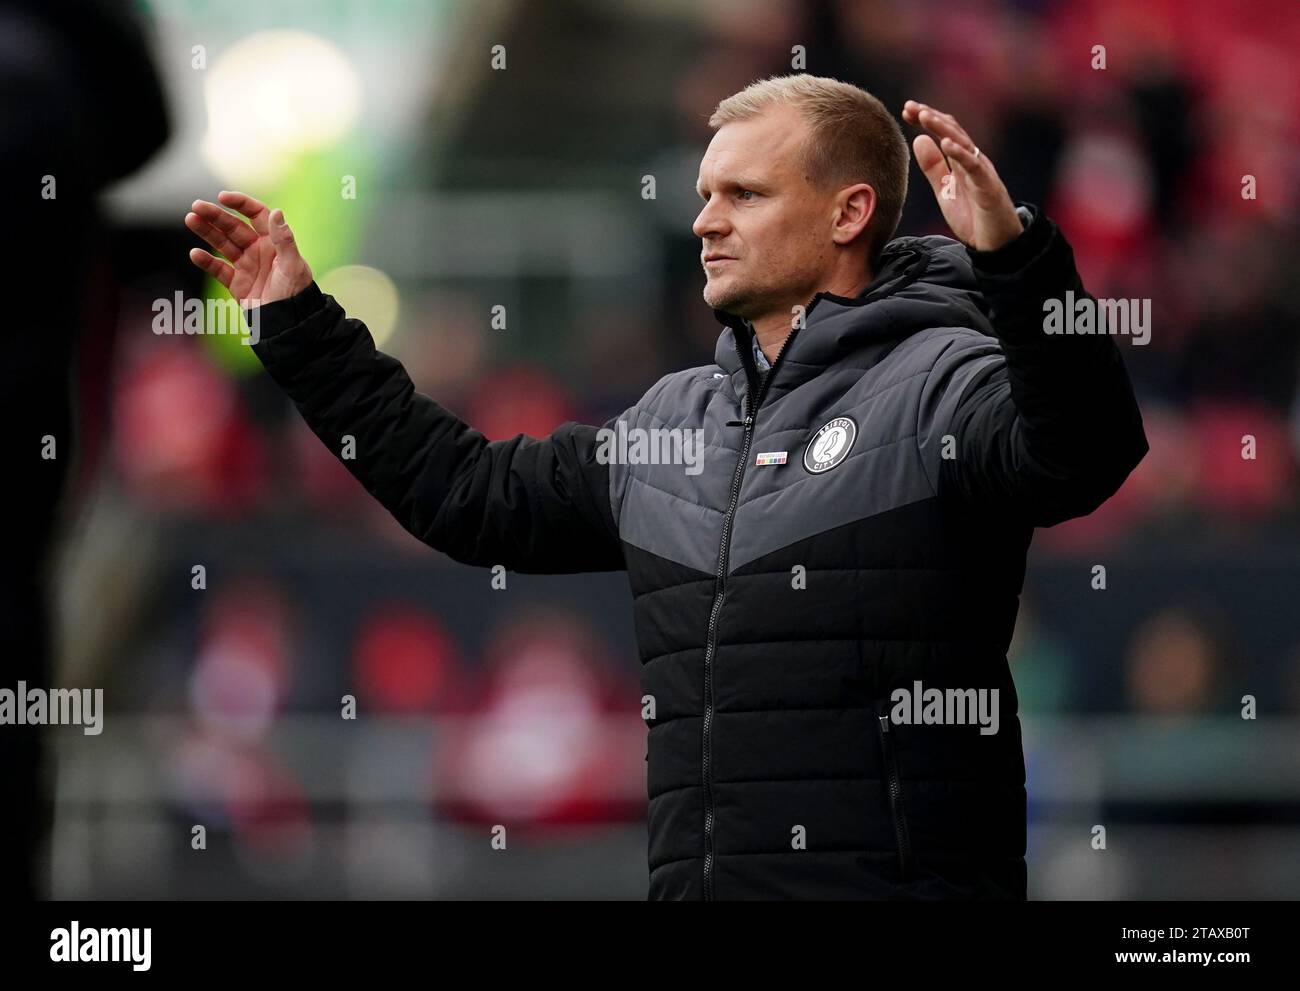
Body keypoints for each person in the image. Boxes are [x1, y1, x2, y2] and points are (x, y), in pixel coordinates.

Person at [185, 74, 1148, 900]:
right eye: (703, 192)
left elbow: (1087, 452)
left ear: (849, 212)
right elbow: (463, 493)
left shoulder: (945, 380)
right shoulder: (672, 422)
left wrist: (1018, 263)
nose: (704, 219)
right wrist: (300, 327)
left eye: (744, 193)